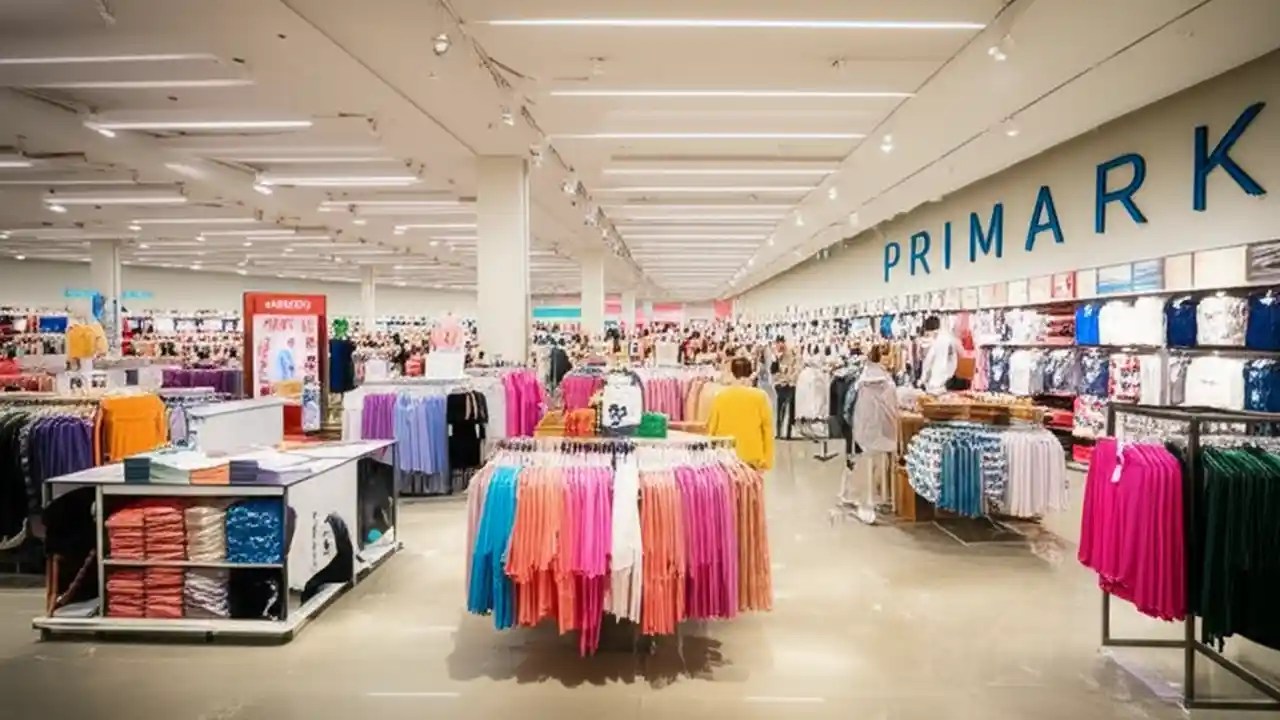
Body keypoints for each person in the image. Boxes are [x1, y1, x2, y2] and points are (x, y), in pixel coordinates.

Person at [707, 357, 774, 471]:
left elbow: (712, 428)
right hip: (753, 458)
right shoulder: (760, 397)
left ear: (732, 373)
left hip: (727, 456)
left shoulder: (720, 397)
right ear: (751, 374)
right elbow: (767, 430)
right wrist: (767, 460)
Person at [919, 315, 963, 394]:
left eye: (928, 334)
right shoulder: (948, 338)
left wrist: (922, 380)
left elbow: (928, 363)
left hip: (938, 383)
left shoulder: (941, 340)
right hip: (944, 382)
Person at [772, 335, 799, 440]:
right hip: (780, 385)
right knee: (780, 409)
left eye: (781, 342)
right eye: (778, 343)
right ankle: (779, 432)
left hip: (790, 385)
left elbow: (796, 368)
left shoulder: (791, 354)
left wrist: (791, 380)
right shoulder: (776, 356)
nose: (779, 345)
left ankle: (788, 432)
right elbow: (773, 371)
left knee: (790, 409)